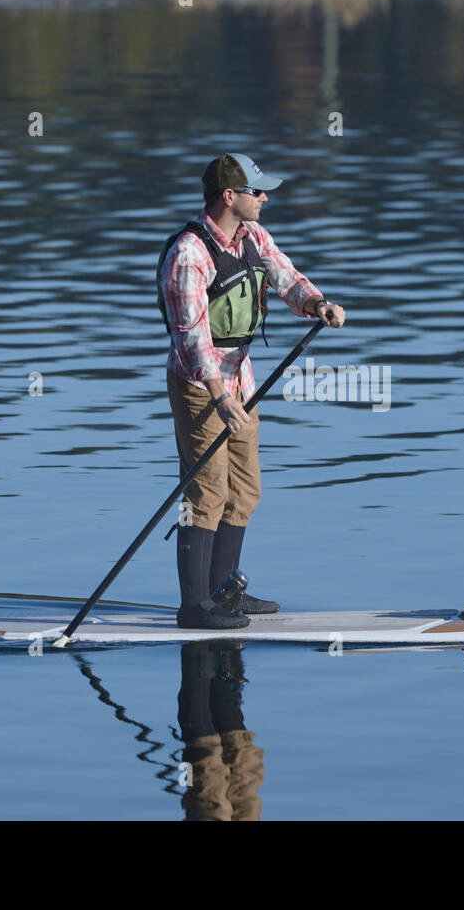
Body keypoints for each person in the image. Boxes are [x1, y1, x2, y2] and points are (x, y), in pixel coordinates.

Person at [158, 153, 346, 629]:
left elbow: (287, 278)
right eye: (256, 191)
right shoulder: (189, 254)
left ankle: (226, 594)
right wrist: (220, 399)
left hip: (242, 380)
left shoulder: (254, 237)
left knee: (245, 489)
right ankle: (194, 606)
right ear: (229, 196)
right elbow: (192, 340)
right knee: (206, 490)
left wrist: (317, 303)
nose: (264, 198)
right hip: (202, 386)